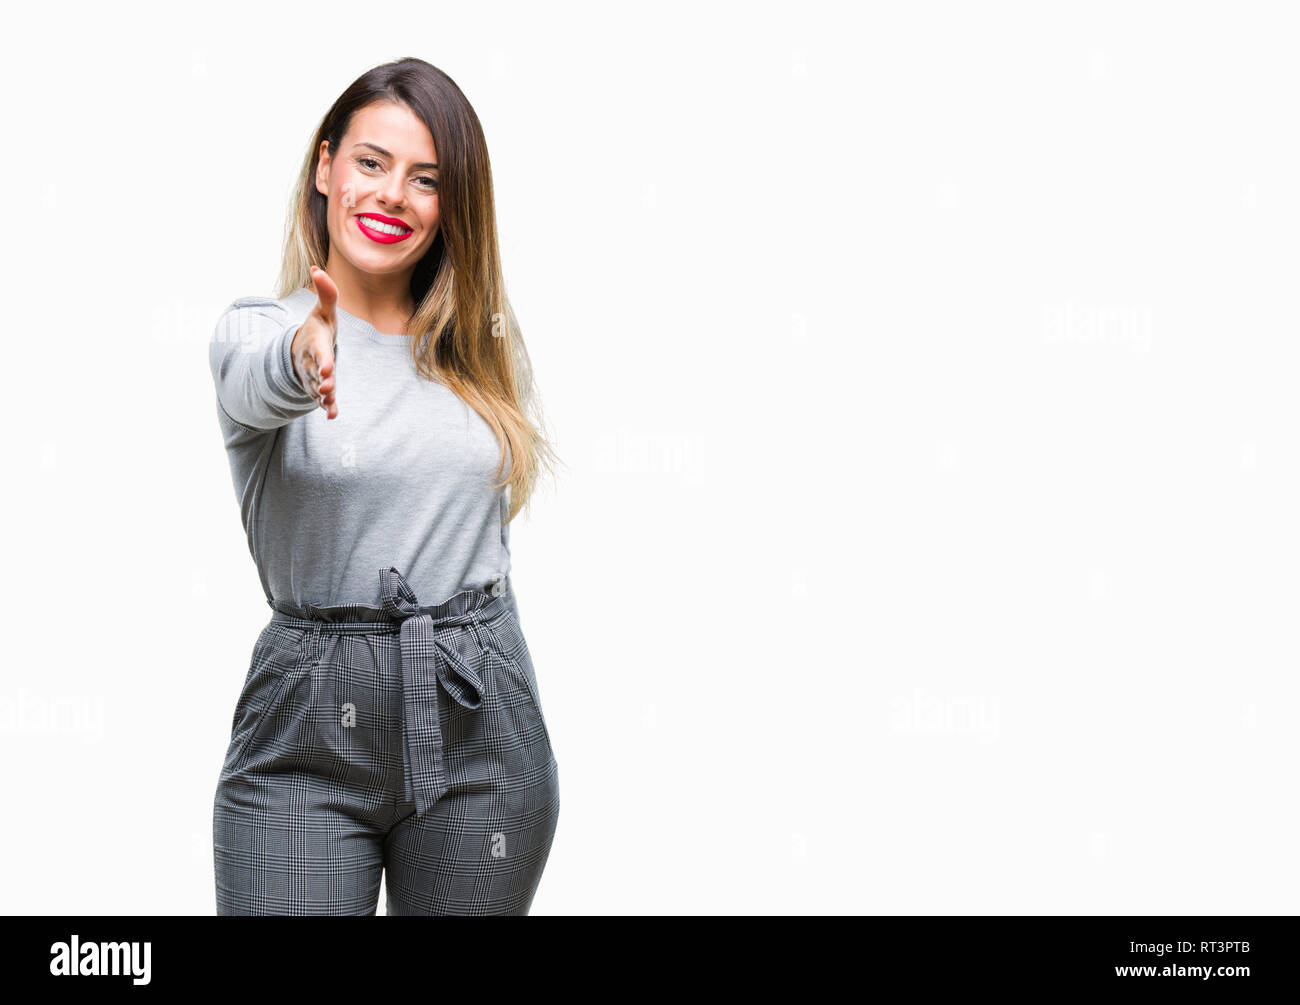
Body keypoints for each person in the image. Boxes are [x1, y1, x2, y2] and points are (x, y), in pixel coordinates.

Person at [207, 56, 561, 915]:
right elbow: (257, 382)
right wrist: (306, 357)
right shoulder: (260, 329)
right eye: (371, 162)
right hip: (306, 729)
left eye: (426, 179)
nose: (393, 194)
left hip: (481, 718)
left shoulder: (479, 351)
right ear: (326, 167)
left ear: (452, 206)